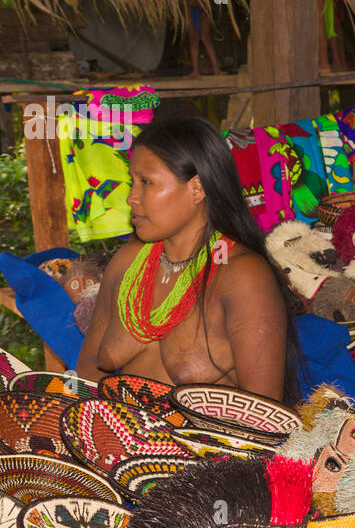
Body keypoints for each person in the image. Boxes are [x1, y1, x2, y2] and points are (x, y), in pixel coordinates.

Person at [77, 115, 293, 401]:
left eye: (146, 182)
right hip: (115, 435)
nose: (131, 197)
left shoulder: (242, 276)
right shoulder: (128, 262)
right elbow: (87, 373)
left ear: (197, 189)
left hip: (209, 445)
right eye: (133, 181)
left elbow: (265, 414)